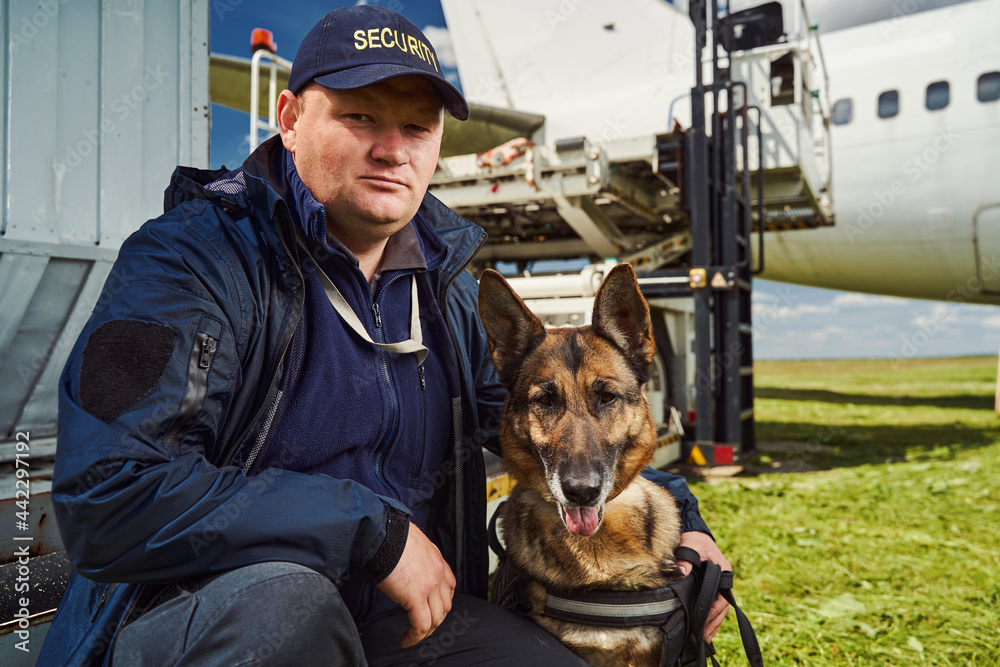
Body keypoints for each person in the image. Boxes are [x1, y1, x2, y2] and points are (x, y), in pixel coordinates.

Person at [39, 6, 730, 666]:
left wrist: (683, 518)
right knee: (290, 613)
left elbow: (545, 426)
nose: (392, 150)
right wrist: (368, 529)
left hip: (398, 622)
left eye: (417, 126)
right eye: (361, 116)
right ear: (290, 120)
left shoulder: (447, 296)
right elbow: (110, 496)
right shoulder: (191, 262)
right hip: (218, 621)